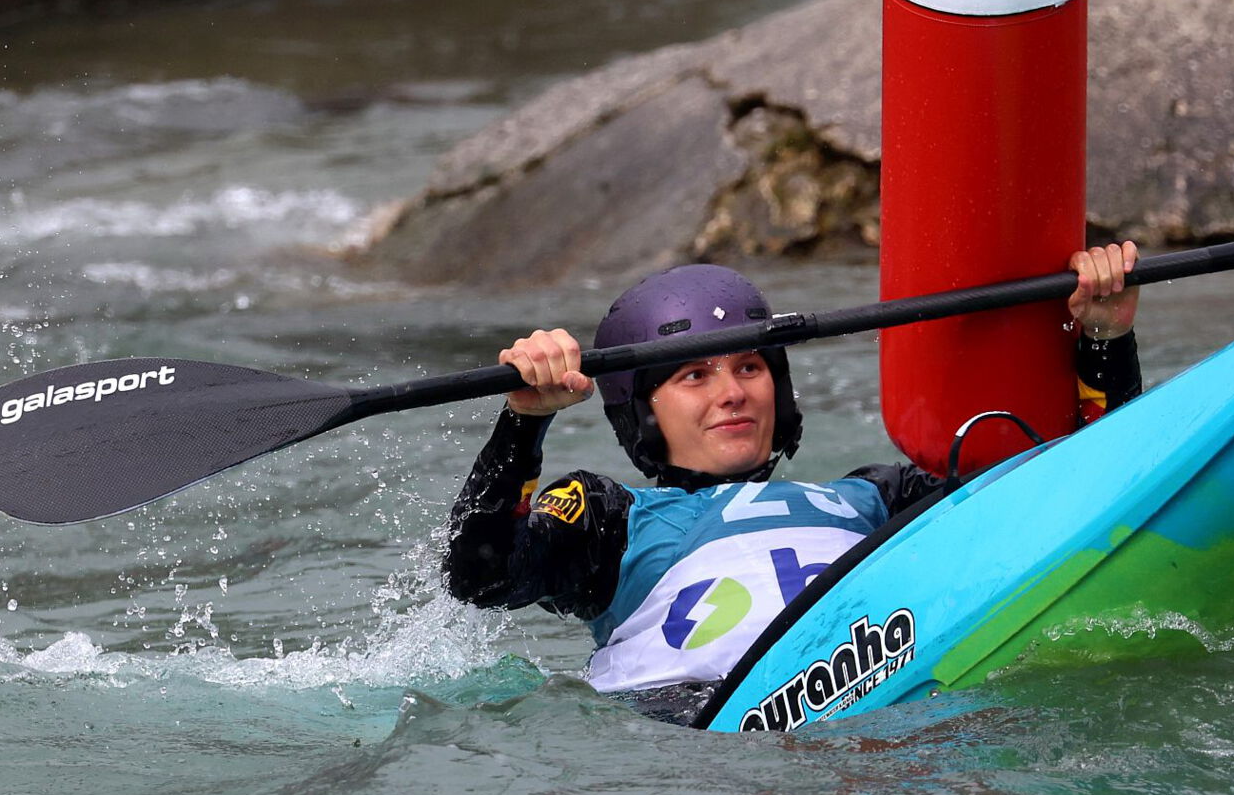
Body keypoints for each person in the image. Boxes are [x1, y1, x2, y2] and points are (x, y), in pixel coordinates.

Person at [443, 245, 1144, 711]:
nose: (734, 391)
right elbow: (477, 575)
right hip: (694, 725)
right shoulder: (610, 520)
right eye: (696, 375)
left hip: (881, 698)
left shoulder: (877, 497)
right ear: (643, 412)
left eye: (750, 366)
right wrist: (524, 419)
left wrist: (1106, 338)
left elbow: (1076, 498)